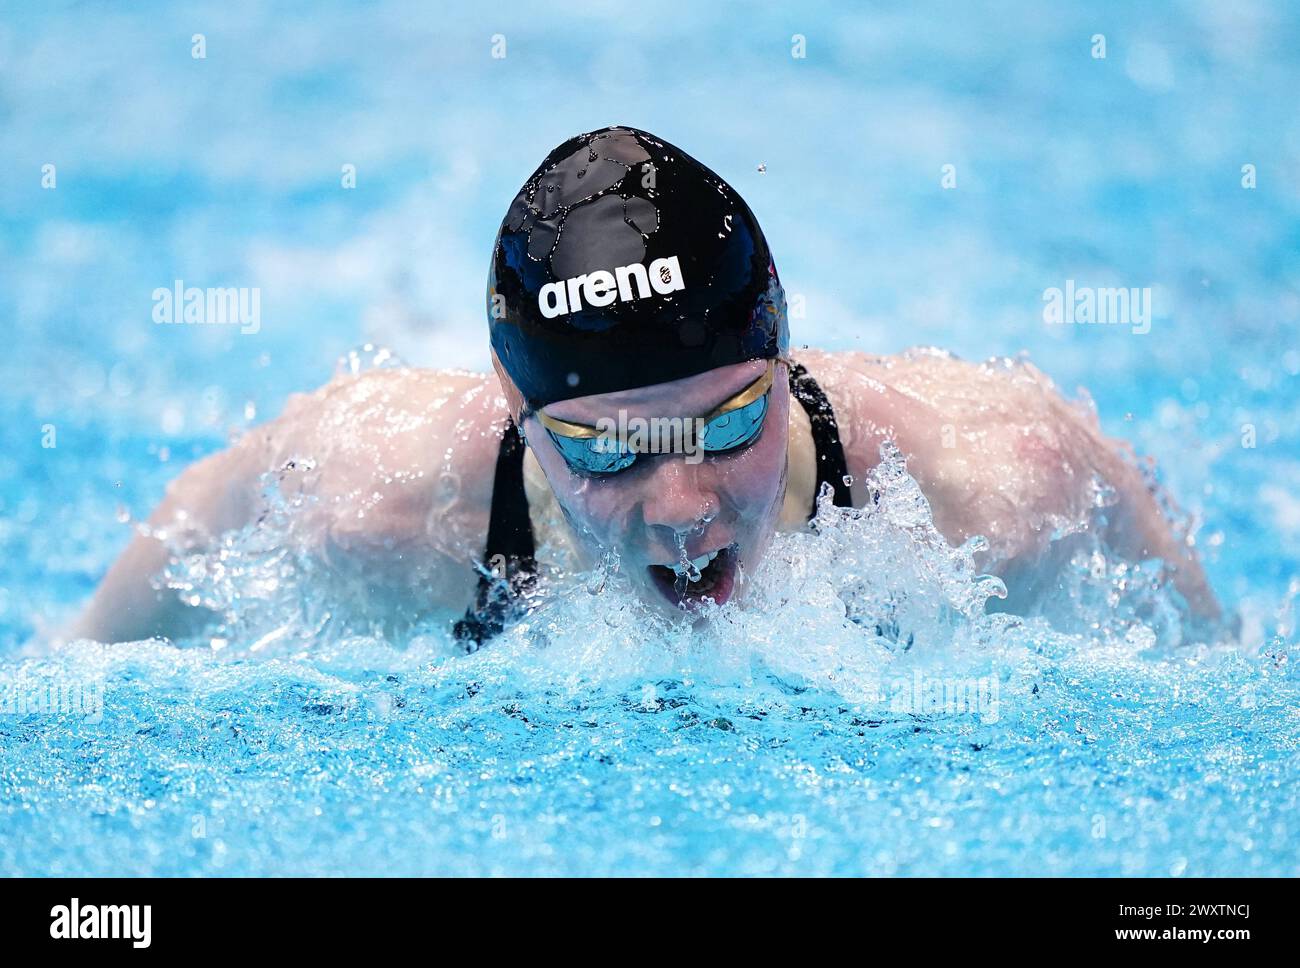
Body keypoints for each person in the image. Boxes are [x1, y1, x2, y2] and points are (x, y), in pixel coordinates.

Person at [71, 126, 1218, 646]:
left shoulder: (999, 487)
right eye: (610, 450)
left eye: (728, 422)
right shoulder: (373, 506)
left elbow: (1224, 697)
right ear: (515, 416)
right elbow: (89, 665)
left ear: (786, 362)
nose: (682, 507)